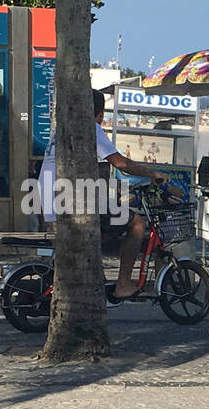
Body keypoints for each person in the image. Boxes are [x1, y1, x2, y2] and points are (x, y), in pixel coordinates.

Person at [37, 90, 168, 297]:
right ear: (98, 112)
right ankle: (124, 284)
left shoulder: (61, 130)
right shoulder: (90, 128)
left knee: (104, 228)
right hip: (70, 198)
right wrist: (152, 173)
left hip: (49, 197)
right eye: (102, 113)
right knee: (137, 224)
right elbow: (120, 163)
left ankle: (99, 276)